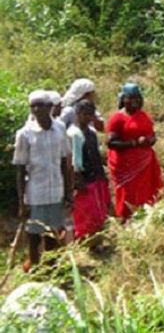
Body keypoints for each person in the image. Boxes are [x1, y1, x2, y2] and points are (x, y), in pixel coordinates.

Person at [14, 90, 72, 269]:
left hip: (56, 192)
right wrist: (22, 203)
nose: (36, 109)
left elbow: (65, 162)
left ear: (50, 107)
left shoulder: (60, 129)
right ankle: (35, 272)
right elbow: (20, 168)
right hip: (35, 194)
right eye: (33, 106)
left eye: (40, 105)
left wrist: (69, 193)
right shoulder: (24, 134)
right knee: (33, 235)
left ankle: (51, 270)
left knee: (53, 235)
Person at [107, 83, 164, 221]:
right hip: (126, 167)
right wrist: (134, 143)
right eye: (131, 98)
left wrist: (149, 141)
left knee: (146, 193)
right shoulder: (117, 118)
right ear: (123, 99)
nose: (135, 101)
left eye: (137, 98)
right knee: (128, 196)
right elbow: (111, 143)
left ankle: (145, 219)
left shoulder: (144, 116)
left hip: (145, 165)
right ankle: (127, 221)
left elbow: (152, 137)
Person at [68, 100, 110, 240]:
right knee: (85, 212)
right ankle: (85, 240)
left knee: (98, 210)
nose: (87, 117)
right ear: (77, 114)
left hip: (95, 176)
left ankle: (96, 239)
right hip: (84, 178)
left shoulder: (91, 132)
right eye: (84, 114)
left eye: (90, 114)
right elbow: (75, 160)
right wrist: (79, 181)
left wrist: (102, 174)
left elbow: (96, 154)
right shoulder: (74, 134)